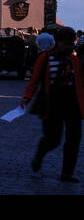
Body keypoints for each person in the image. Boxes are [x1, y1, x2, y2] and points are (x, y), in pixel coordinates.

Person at [22, 26, 83, 183]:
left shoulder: (74, 60)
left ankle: (67, 173)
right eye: (67, 44)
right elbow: (34, 80)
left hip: (72, 103)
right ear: (58, 42)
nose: (70, 47)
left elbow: (80, 82)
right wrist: (27, 97)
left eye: (71, 44)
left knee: (74, 139)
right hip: (52, 103)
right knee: (53, 139)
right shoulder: (45, 58)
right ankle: (39, 155)